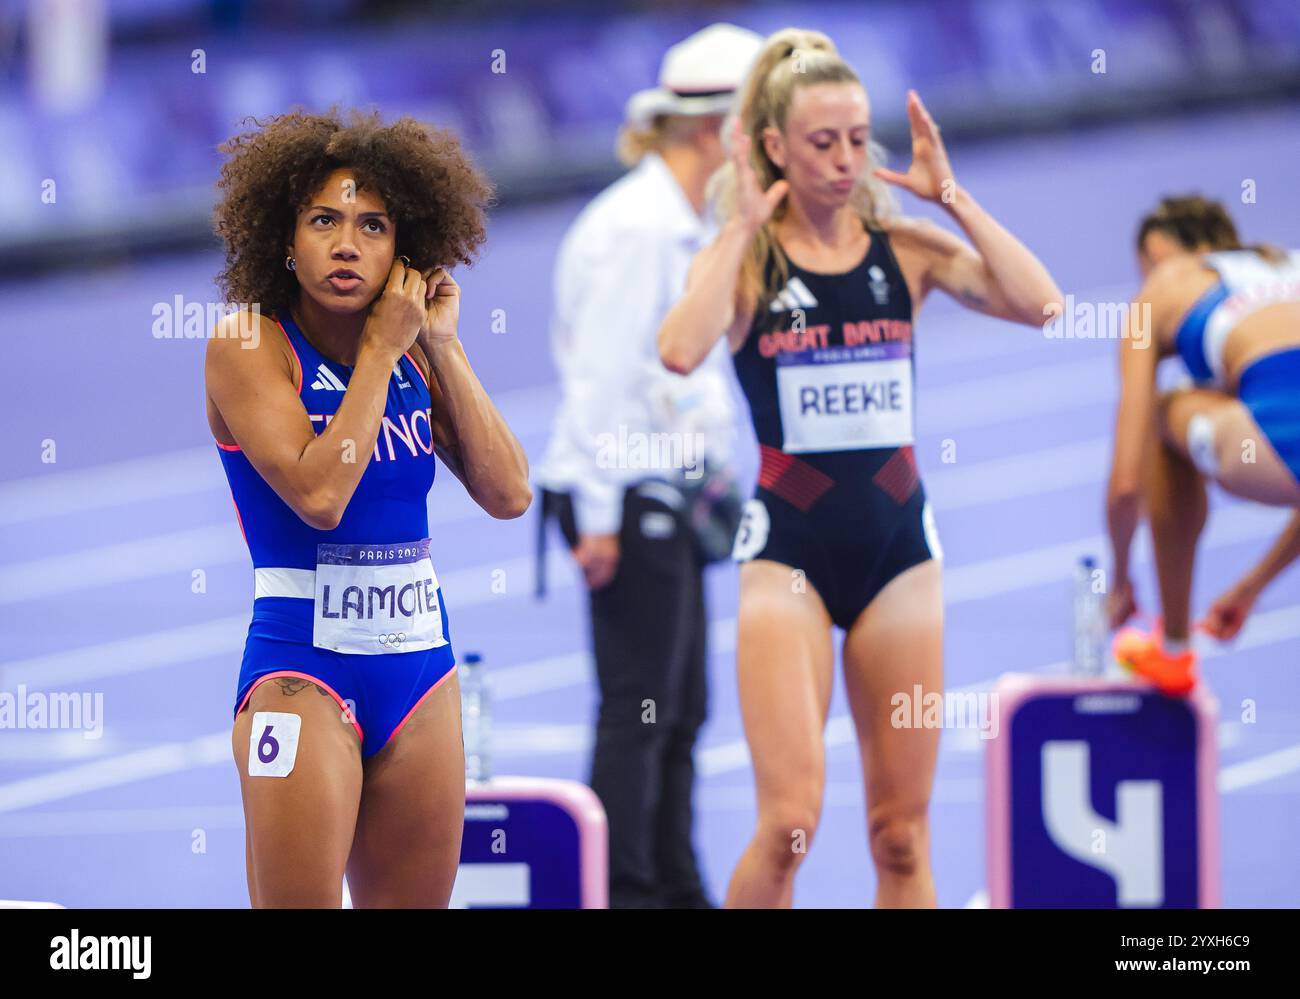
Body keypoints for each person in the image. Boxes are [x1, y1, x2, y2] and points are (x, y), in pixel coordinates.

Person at [657, 28, 1062, 907]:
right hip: (787, 556)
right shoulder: (750, 262)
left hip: (898, 553)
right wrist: (737, 226)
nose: (846, 161)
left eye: (856, 139)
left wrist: (951, 195)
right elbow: (681, 350)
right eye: (821, 142)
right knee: (789, 824)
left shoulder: (906, 250)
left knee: (902, 838)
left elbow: (1044, 305)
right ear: (773, 147)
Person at [206, 109, 531, 907]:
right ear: (287, 239)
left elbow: (509, 493)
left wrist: (441, 346)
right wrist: (382, 353)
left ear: (404, 253)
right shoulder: (251, 344)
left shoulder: (418, 351)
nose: (347, 243)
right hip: (302, 672)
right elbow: (320, 495)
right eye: (324, 220)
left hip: (419, 668)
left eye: (372, 225)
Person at [535, 23, 762, 908]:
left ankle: (673, 880)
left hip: (669, 486)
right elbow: (595, 380)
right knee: (638, 710)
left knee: (682, 708)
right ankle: (625, 892)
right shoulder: (636, 229)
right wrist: (594, 515)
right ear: (719, 132)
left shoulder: (688, 221)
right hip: (622, 492)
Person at [1106, 195, 1300, 694]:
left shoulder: (1164, 285)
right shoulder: (1285, 260)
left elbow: (1126, 485)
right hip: (1280, 439)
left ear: (1157, 251)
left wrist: (1120, 581)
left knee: (1161, 411)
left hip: (1268, 443)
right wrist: (1253, 586)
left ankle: (1172, 647)